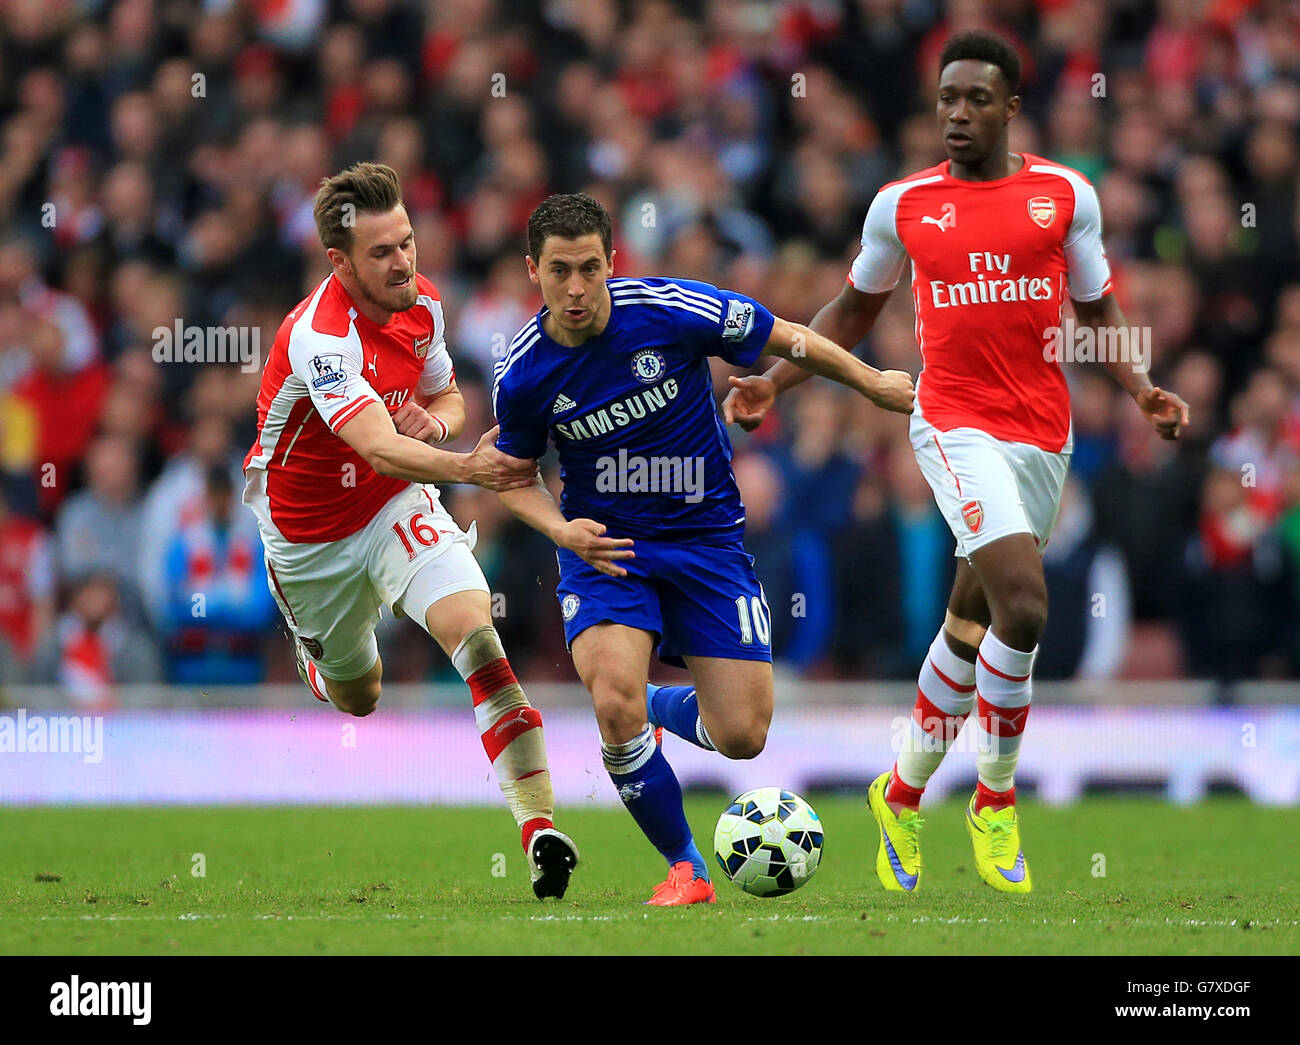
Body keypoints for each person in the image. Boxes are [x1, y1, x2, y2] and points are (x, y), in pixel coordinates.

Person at [722, 31, 1190, 895]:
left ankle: (898, 792)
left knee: (970, 627)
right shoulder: (901, 205)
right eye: (946, 100)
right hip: (951, 422)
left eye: (976, 99)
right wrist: (776, 381)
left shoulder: (1064, 196)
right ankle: (995, 796)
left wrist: (1142, 387)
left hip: (1044, 433)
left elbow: (1099, 305)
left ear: (1011, 107)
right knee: (1025, 602)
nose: (958, 115)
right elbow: (855, 308)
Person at [491, 192, 913, 905]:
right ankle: (686, 866)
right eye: (559, 270)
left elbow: (789, 338)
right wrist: (560, 529)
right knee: (614, 699)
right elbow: (509, 476)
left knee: (743, 732)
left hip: (706, 541)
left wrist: (871, 382)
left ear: (610, 262)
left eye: (589, 268)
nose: (575, 288)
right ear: (533, 269)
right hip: (607, 551)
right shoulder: (524, 374)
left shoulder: (670, 309)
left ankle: (653, 704)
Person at [241, 162, 579, 899]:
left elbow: (445, 398)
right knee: (361, 693)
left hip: (397, 505)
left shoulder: (422, 304)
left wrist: (444, 423)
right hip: (310, 541)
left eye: (408, 242)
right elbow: (376, 442)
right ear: (339, 261)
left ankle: (538, 828)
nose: (404, 262)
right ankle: (322, 663)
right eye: (382, 252)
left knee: (477, 636)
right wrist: (471, 466)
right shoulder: (320, 338)